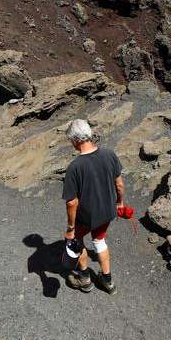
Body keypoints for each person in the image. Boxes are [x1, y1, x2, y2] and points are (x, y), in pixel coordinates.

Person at [62, 119, 125, 294]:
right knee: (99, 240)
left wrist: (71, 228)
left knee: (77, 240)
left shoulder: (75, 167)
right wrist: (119, 203)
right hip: (107, 210)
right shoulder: (109, 154)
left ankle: (84, 279)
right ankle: (107, 281)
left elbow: (72, 202)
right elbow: (119, 184)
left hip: (87, 216)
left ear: (75, 141)